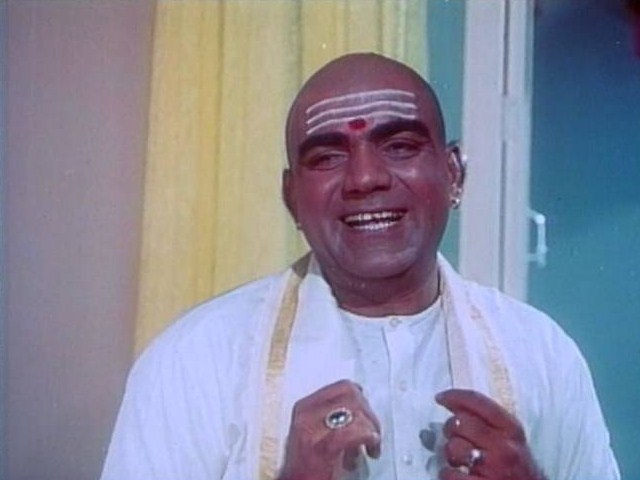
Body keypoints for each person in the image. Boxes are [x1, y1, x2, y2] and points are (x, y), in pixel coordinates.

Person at [101, 53, 619, 480]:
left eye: (399, 146)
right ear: (292, 198)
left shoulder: (541, 354)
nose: (365, 178)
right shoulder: (196, 360)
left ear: (454, 174)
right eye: (327, 157)